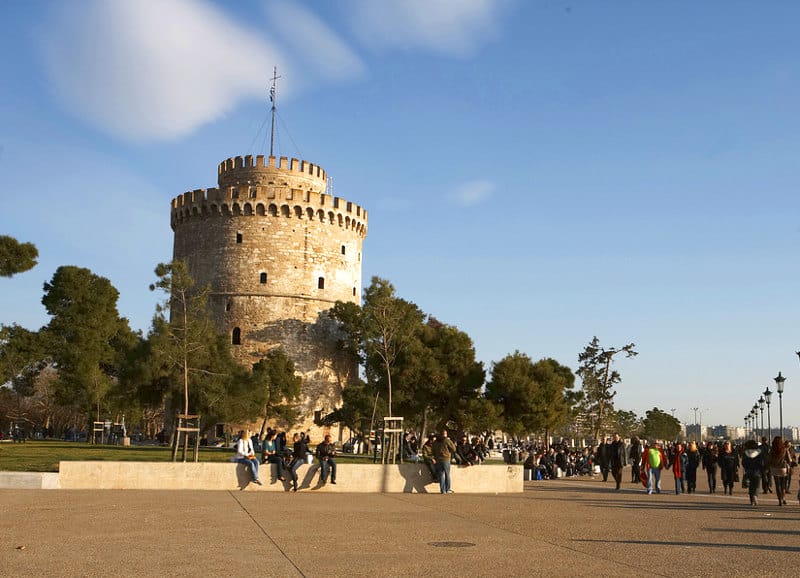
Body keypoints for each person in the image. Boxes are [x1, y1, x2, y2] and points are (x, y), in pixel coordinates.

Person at [431, 429, 457, 494]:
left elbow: (433, 450)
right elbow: (454, 448)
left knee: (441, 475)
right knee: (447, 474)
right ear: (445, 434)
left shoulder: (436, 442)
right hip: (446, 459)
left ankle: (443, 490)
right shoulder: (447, 440)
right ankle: (448, 489)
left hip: (438, 459)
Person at [767, 436, 790, 506]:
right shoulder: (785, 449)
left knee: (777, 485)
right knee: (783, 484)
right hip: (783, 468)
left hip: (774, 468)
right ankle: (783, 498)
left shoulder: (772, 450)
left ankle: (779, 500)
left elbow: (769, 460)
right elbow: (789, 459)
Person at [742, 439, 764, 506]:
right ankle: (755, 495)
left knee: (750, 486)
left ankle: (751, 500)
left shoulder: (746, 452)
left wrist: (746, 467)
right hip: (757, 471)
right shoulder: (759, 452)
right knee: (757, 485)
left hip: (748, 471)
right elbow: (761, 462)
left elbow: (743, 462)